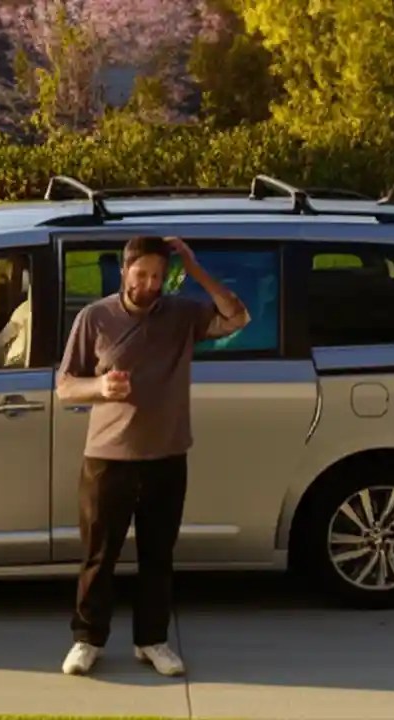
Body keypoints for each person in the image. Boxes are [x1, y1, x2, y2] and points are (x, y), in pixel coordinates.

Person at [55, 235, 251, 677]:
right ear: (124, 271)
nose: (148, 284)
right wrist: (99, 388)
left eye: (158, 276)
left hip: (167, 454)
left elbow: (237, 316)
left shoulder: (182, 314)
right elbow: (66, 384)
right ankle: (87, 640)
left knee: (158, 556)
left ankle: (152, 640)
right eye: (140, 274)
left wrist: (195, 269)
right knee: (98, 556)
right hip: (108, 458)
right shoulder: (96, 318)